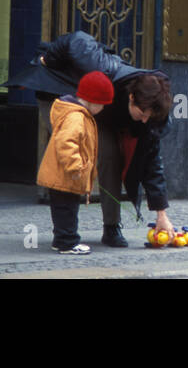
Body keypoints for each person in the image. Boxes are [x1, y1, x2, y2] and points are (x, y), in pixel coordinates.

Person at [10, 31, 177, 247]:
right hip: (63, 99)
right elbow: (77, 39)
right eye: (141, 114)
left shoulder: (151, 115)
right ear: (131, 98)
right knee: (70, 161)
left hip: (98, 115)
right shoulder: (104, 68)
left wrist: (161, 214)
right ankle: (66, 236)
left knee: (111, 158)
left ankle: (111, 227)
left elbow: (153, 164)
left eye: (149, 118)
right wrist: (47, 59)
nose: (144, 121)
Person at [36, 71, 113, 255]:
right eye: (102, 105)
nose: (103, 109)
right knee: (67, 209)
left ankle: (61, 240)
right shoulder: (76, 117)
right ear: (93, 101)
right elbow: (67, 143)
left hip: (63, 174)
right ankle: (67, 242)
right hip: (65, 175)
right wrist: (76, 167)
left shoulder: (78, 115)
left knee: (65, 209)